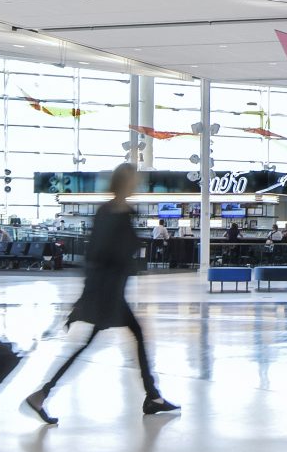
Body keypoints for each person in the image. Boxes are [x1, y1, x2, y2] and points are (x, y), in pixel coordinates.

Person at [25, 162, 178, 424]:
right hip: (108, 294)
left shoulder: (110, 211)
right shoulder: (116, 213)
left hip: (107, 291)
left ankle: (153, 396)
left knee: (101, 342)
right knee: (95, 344)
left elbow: (97, 255)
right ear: (124, 182)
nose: (136, 183)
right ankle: (42, 393)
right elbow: (103, 255)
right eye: (133, 180)